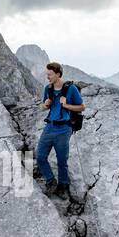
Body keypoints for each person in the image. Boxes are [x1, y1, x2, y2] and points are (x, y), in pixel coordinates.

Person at [36, 61, 84, 196]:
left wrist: (67, 105)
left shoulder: (71, 89)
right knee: (40, 157)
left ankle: (63, 185)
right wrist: (45, 105)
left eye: (50, 74)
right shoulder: (48, 89)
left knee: (62, 160)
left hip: (64, 129)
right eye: (47, 74)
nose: (47, 77)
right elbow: (43, 107)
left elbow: (82, 107)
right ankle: (50, 181)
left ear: (58, 74)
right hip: (49, 127)